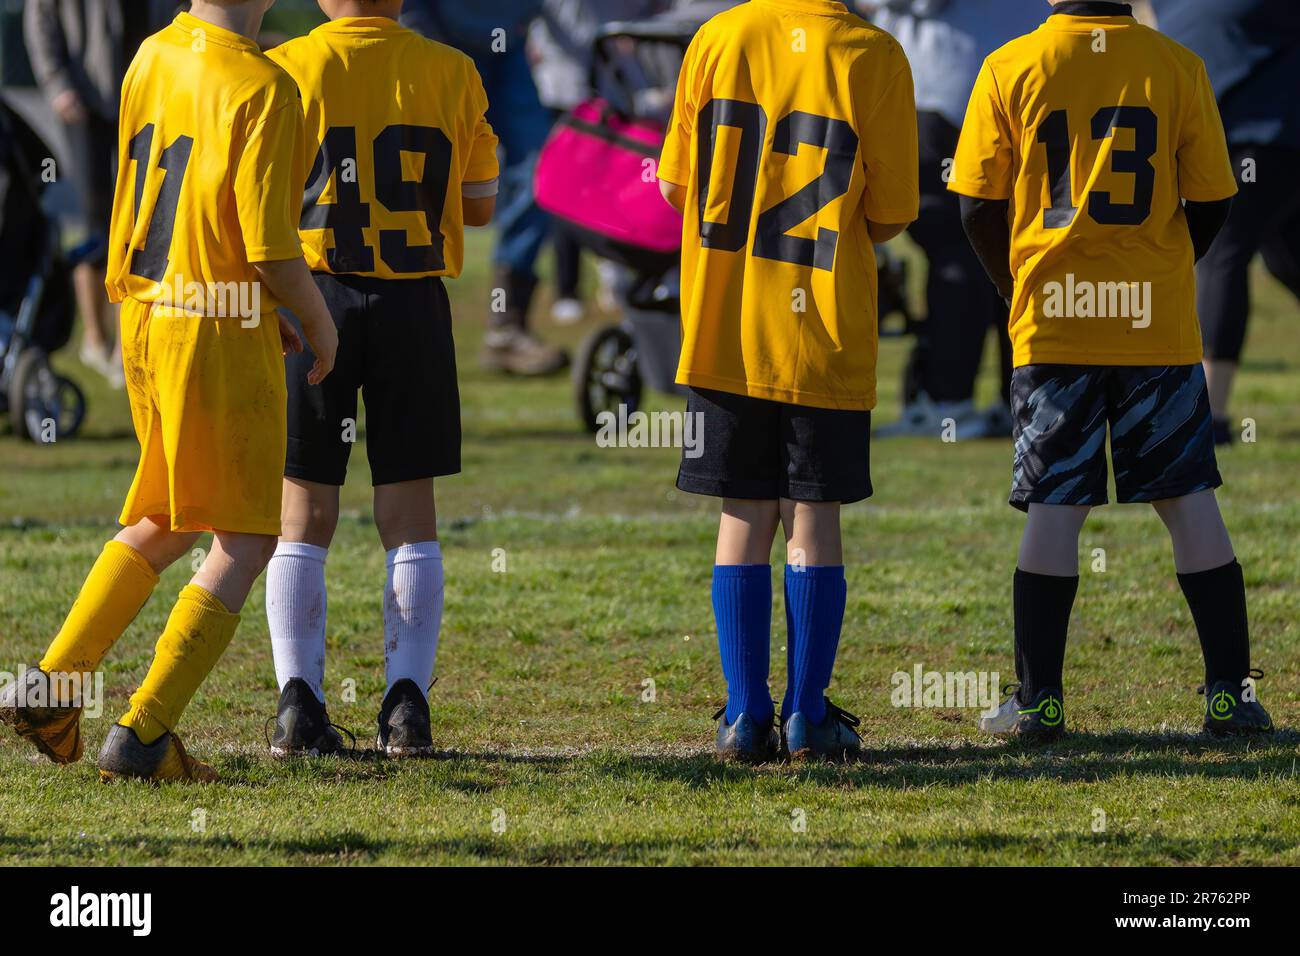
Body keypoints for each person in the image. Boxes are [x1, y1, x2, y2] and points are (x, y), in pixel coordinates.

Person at [0, 0, 339, 782]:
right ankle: (144, 735)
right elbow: (271, 248)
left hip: (151, 312)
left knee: (165, 514)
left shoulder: (153, 51)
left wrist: (252, 314)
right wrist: (318, 325)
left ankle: (53, 686)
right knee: (246, 537)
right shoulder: (265, 85)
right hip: (211, 331)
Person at [948, 0, 1272, 740]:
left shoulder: (1010, 64)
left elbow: (973, 203)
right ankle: (1229, 695)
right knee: (1190, 502)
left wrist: (1015, 284)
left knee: (1056, 511)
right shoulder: (1176, 65)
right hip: (1151, 327)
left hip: (1055, 321)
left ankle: (1042, 704)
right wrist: (1160, 271)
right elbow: (1216, 197)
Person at [658, 0, 918, 762]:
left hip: (726, 322)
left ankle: (744, 715)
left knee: (742, 512)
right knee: (813, 515)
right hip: (821, 328)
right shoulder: (874, 53)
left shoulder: (718, 36)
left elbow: (678, 186)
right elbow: (896, 210)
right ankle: (806, 716)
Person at [263, 0, 498, 757]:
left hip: (312, 296)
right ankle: (406, 707)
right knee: (409, 511)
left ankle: (298, 704)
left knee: (304, 511)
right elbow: (482, 203)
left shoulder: (288, 66)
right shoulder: (451, 70)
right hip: (410, 299)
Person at [868, 0, 1042, 440]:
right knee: (1005, 248)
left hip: (950, 88)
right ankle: (1019, 400)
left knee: (955, 251)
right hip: (1013, 80)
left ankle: (951, 403)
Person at [1148, 0, 1300, 444]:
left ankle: (1209, 413)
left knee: (1223, 249)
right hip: (1230, 127)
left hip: (1264, 130)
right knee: (1287, 257)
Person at [401, 0, 568, 375]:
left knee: (541, 171)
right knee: (417, 170)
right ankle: (396, 322)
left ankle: (506, 328)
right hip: (437, 44)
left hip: (506, 50)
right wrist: (423, 39)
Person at [23, 0, 128, 386]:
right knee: (94, 224)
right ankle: (96, 339)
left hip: (143, 96)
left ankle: (123, 345)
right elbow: (40, 20)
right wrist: (57, 84)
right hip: (84, 100)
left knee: (135, 222)